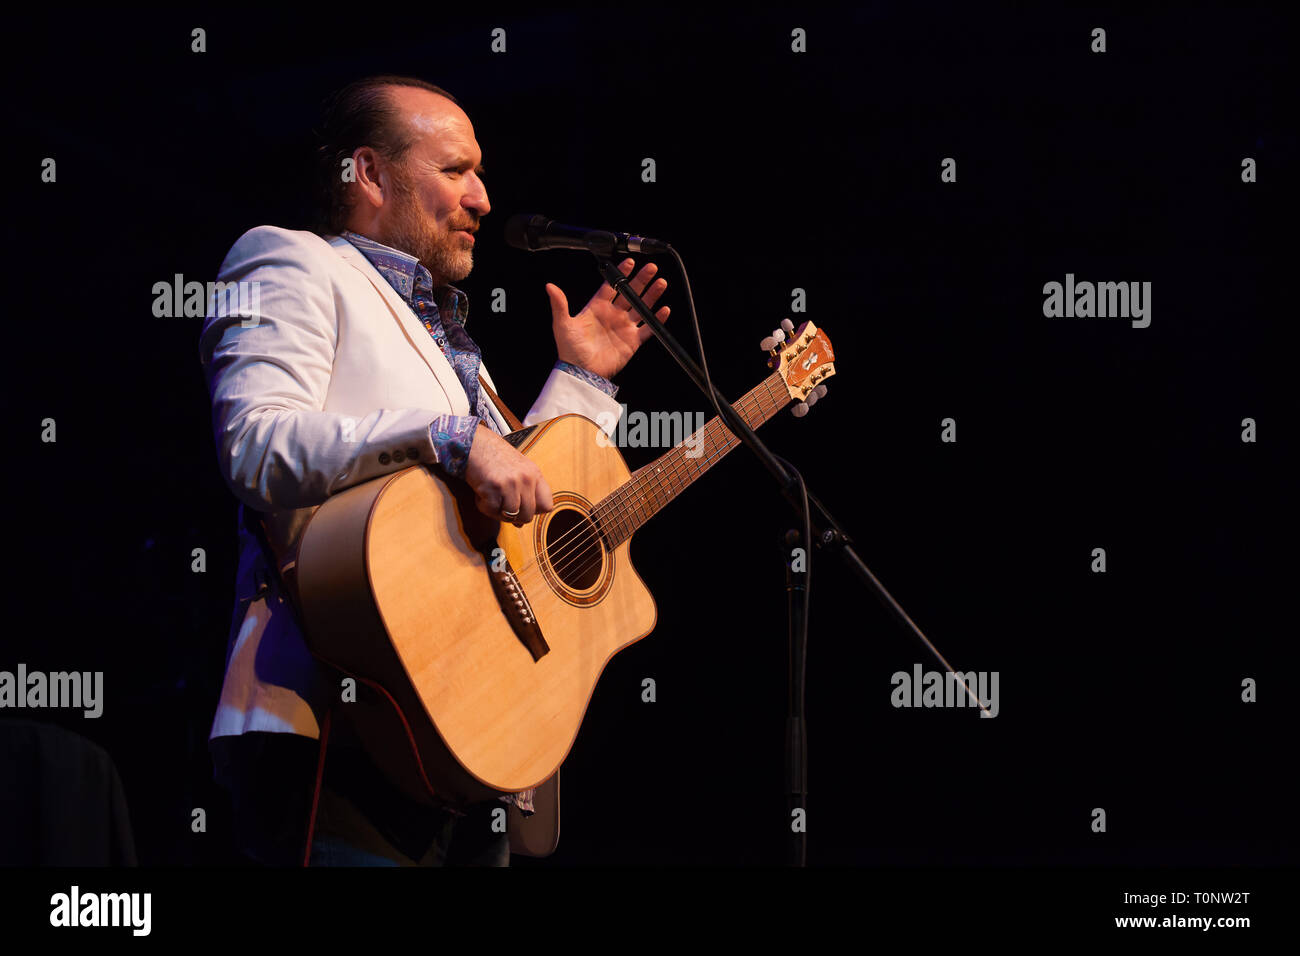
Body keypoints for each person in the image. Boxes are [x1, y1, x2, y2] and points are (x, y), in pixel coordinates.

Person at [199, 75, 670, 866]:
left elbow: (524, 519)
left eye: (479, 173)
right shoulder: (289, 261)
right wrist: (447, 434)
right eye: (455, 170)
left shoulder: (457, 352)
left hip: (462, 743)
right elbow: (256, 444)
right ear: (369, 174)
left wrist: (583, 381)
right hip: (333, 730)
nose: (483, 198)